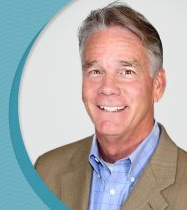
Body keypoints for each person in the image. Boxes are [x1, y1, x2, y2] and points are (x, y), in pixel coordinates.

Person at [35, 2, 187, 210]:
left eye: (126, 71)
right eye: (96, 71)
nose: (107, 88)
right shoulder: (46, 172)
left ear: (157, 85)